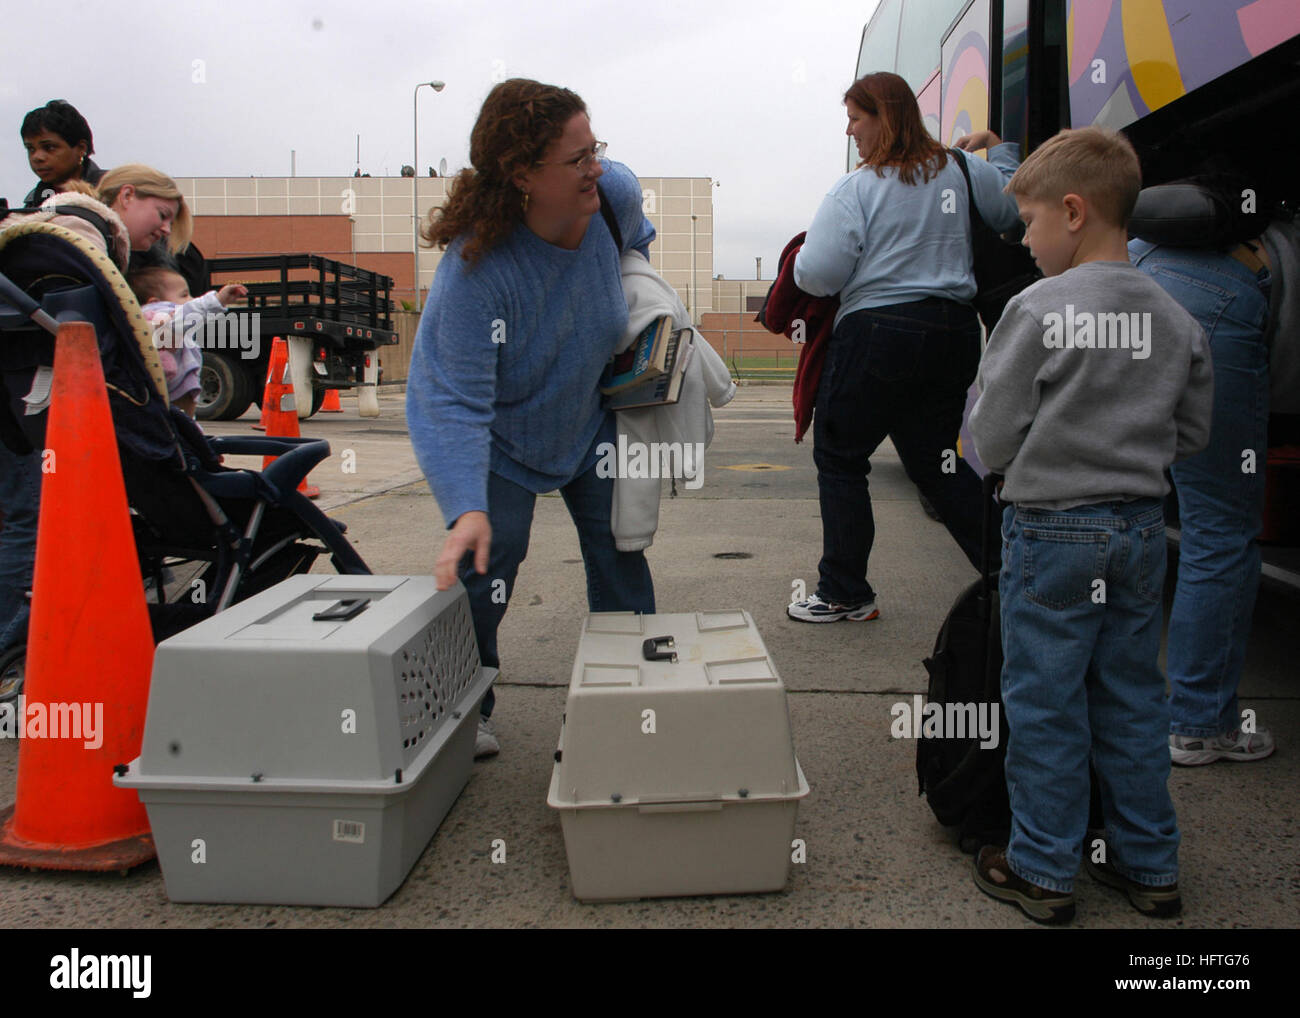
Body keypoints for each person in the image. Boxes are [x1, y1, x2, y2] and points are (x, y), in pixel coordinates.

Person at [969, 127, 1214, 924]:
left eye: (1031, 222)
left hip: (1051, 536)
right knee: (1133, 700)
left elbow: (993, 433)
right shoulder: (1175, 316)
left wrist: (999, 463)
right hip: (1141, 533)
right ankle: (1149, 867)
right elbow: (1195, 433)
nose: (1026, 241)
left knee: (1045, 704)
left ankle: (1042, 869)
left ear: (1072, 212)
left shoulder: (1036, 307)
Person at [406, 79, 657, 759]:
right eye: (576, 159)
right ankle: (462, 706)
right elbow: (450, 398)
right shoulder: (477, 270)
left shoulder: (613, 199)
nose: (594, 168)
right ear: (521, 175)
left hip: (586, 422)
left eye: (594, 147)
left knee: (621, 550)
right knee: (488, 562)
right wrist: (466, 506)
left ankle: (627, 701)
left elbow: (638, 242)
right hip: (502, 442)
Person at [786, 72, 1021, 623]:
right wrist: (1001, 152)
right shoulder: (963, 170)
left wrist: (796, 261)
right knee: (937, 463)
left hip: (877, 335)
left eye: (855, 118)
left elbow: (816, 275)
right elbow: (1011, 212)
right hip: (953, 332)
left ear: (883, 118)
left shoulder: (856, 188)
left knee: (841, 458)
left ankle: (845, 591)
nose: (850, 131)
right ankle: (1013, 575)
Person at [0, 164, 192, 702]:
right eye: (161, 216)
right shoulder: (79, 241)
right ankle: (11, 657)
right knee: (29, 523)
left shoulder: (45, 230)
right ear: (126, 196)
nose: (161, 232)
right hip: (40, 417)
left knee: (30, 523)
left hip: (20, 409)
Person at [1128, 183, 1286, 766]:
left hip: (1134, 277)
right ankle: (1198, 722)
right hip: (1215, 308)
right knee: (1218, 526)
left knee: (1119, 505)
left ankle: (1110, 709)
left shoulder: (1153, 240)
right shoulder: (1270, 247)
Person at [128, 267, 247, 417]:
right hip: (173, 390)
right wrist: (216, 300)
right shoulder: (159, 313)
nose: (190, 299)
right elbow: (185, 316)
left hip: (172, 391)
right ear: (154, 301)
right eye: (184, 295)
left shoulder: (161, 318)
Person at [19, 100, 105, 208]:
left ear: (81, 148)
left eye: (49, 147)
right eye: (30, 148)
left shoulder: (113, 192)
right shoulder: (34, 202)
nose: (37, 157)